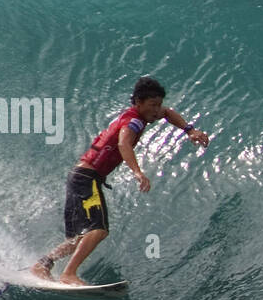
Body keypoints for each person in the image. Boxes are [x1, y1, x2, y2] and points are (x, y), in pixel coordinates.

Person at [30, 76, 209, 285]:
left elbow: (168, 113)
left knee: (80, 238)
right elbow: (124, 143)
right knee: (99, 230)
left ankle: (42, 265)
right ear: (138, 103)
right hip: (87, 178)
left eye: (158, 104)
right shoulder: (132, 121)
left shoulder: (143, 114)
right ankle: (68, 274)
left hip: (79, 177)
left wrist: (189, 130)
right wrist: (138, 172)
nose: (157, 110)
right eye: (152, 105)